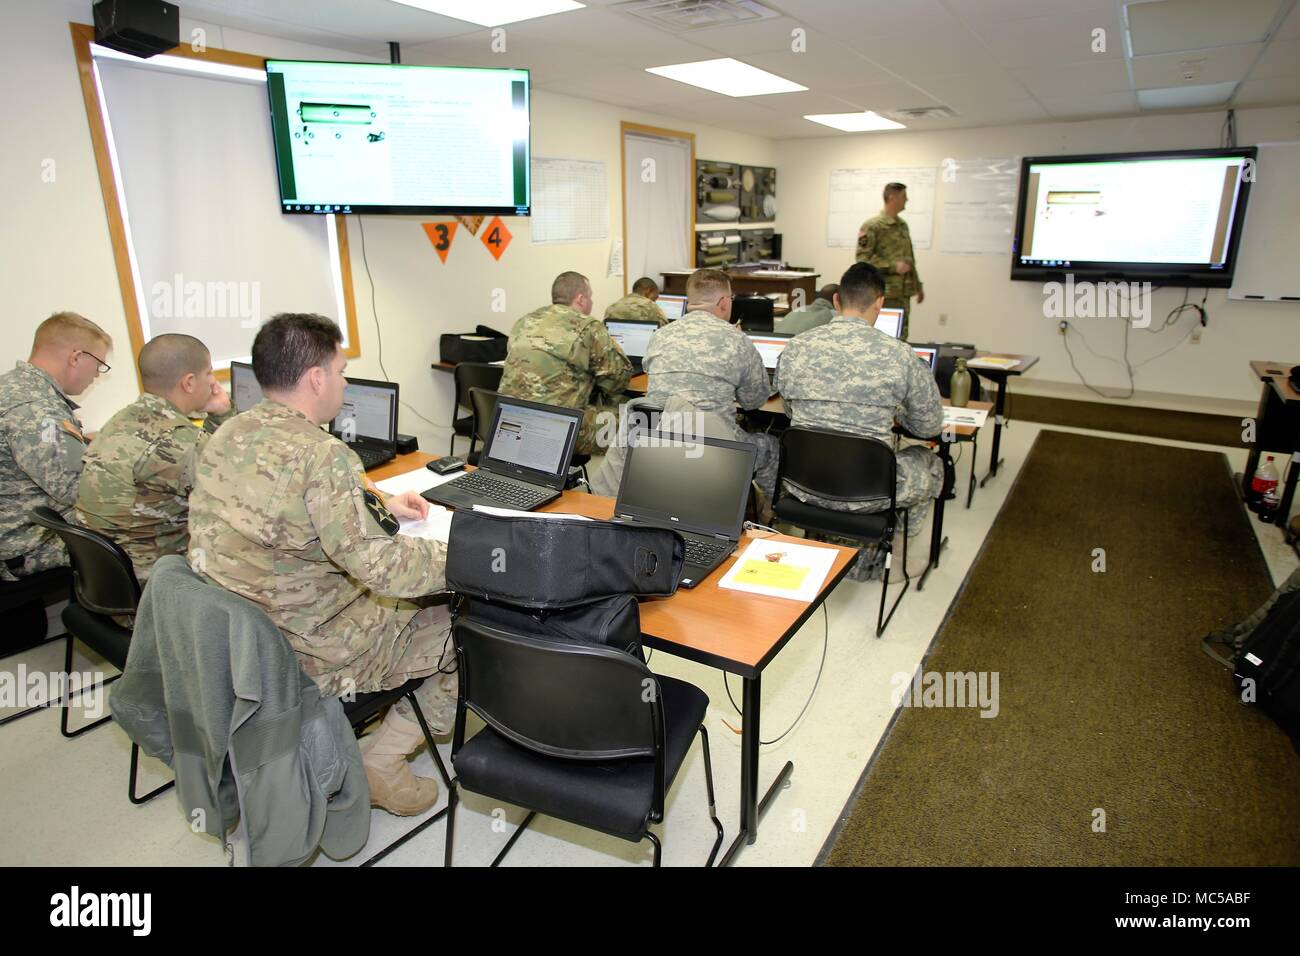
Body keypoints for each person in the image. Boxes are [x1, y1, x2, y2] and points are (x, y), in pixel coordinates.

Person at [187, 313, 454, 816]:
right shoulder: (322, 454)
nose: (345, 381)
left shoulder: (227, 432)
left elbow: (276, 508)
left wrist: (371, 501)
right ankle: (383, 761)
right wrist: (464, 554)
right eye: (342, 369)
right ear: (316, 379)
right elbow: (387, 569)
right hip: (313, 648)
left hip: (241, 639)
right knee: (469, 628)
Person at [775, 263, 943, 578]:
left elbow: (790, 412)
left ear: (837, 301)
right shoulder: (901, 356)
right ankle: (898, 561)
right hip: (870, 492)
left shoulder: (796, 347)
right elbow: (929, 427)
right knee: (931, 464)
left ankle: (825, 541)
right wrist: (896, 412)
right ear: (879, 302)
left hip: (803, 484)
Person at [591, 268, 778, 501]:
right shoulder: (737, 340)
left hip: (656, 445)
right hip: (713, 450)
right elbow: (754, 400)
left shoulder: (661, 335)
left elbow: (653, 373)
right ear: (723, 302)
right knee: (771, 446)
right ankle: (768, 518)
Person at [76, 334, 233, 582]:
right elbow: (240, 487)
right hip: (157, 590)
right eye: (209, 373)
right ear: (189, 382)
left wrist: (218, 415)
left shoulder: (123, 419)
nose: (213, 382)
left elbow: (202, 460)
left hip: (109, 581)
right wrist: (227, 416)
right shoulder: (181, 442)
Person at [0, 312, 112, 581]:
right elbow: (79, 490)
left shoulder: (16, 387)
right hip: (25, 544)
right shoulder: (37, 410)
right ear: (76, 357)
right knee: (147, 529)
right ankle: (125, 619)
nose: (97, 375)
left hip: (17, 528)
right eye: (98, 365)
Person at [499, 271, 632, 455]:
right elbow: (618, 379)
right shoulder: (589, 326)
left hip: (510, 422)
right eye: (590, 297)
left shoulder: (524, 321)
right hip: (557, 430)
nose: (591, 302)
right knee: (635, 421)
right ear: (581, 299)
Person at [856, 182, 924, 340]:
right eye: (903, 196)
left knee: (902, 337)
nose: (907, 200)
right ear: (892, 197)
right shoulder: (872, 226)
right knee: (884, 337)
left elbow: (909, 258)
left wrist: (918, 285)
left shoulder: (902, 225)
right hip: (885, 293)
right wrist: (892, 267)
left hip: (903, 293)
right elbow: (862, 259)